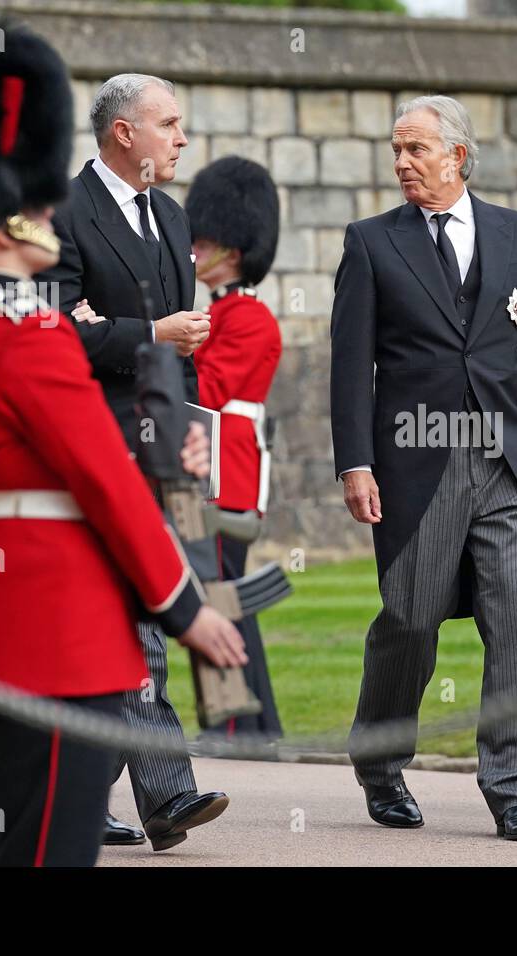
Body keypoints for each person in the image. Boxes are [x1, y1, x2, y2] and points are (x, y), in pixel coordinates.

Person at [0, 14, 245, 867]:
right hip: (59, 637)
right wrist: (188, 610)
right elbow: (104, 479)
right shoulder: (24, 336)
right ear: (10, 221)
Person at [330, 95, 517, 841]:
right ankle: (380, 760)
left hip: (506, 458)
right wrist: (356, 462)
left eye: (416, 149)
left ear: (458, 157)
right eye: (396, 150)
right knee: (409, 617)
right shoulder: (371, 243)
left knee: (516, 620)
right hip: (413, 460)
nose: (402, 162)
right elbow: (351, 368)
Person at [38, 72, 228, 851]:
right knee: (121, 615)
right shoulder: (62, 214)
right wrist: (147, 330)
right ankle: (157, 791)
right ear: (125, 133)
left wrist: (188, 427)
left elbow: (172, 349)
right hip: (86, 446)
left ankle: (110, 796)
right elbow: (51, 333)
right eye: (170, 124)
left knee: (139, 610)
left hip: (158, 449)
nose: (182, 138)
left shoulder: (171, 214)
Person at [185, 155, 285, 744]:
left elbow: (211, 390)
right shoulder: (215, 312)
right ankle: (248, 723)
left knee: (222, 596)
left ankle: (236, 722)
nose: (197, 249)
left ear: (234, 248)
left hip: (229, 473)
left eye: (206, 241)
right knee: (217, 598)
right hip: (211, 470)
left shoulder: (247, 317)